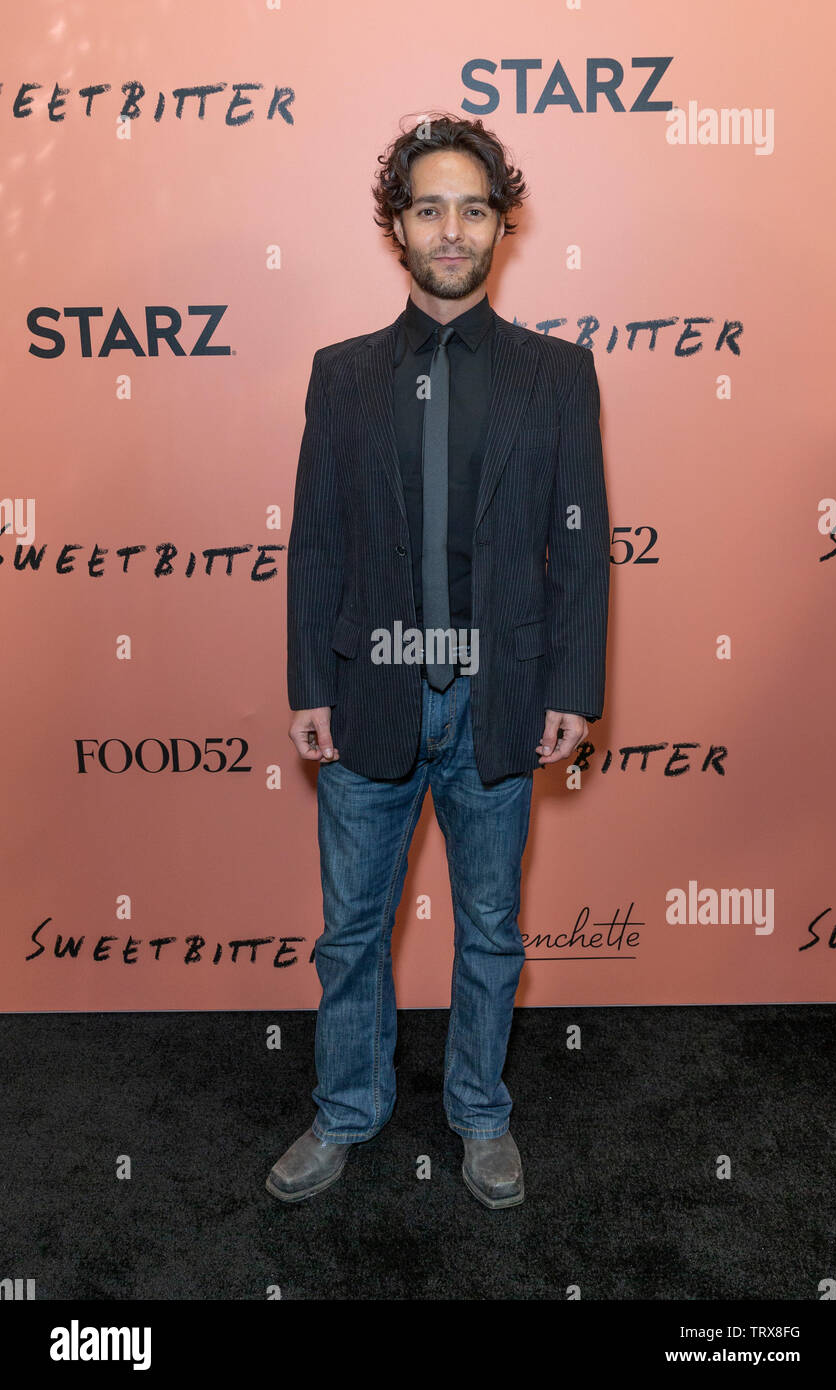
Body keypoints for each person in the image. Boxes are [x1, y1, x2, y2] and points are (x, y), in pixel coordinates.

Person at [267, 112, 610, 1210]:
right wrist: (308, 683)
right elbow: (315, 536)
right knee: (351, 930)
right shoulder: (342, 374)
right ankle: (348, 1109)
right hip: (369, 690)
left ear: (501, 223)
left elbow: (579, 545)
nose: (450, 228)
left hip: (497, 700)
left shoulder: (557, 374)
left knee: (493, 929)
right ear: (396, 227)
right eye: (428, 207)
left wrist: (570, 689)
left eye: (471, 207)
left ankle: (477, 1112)